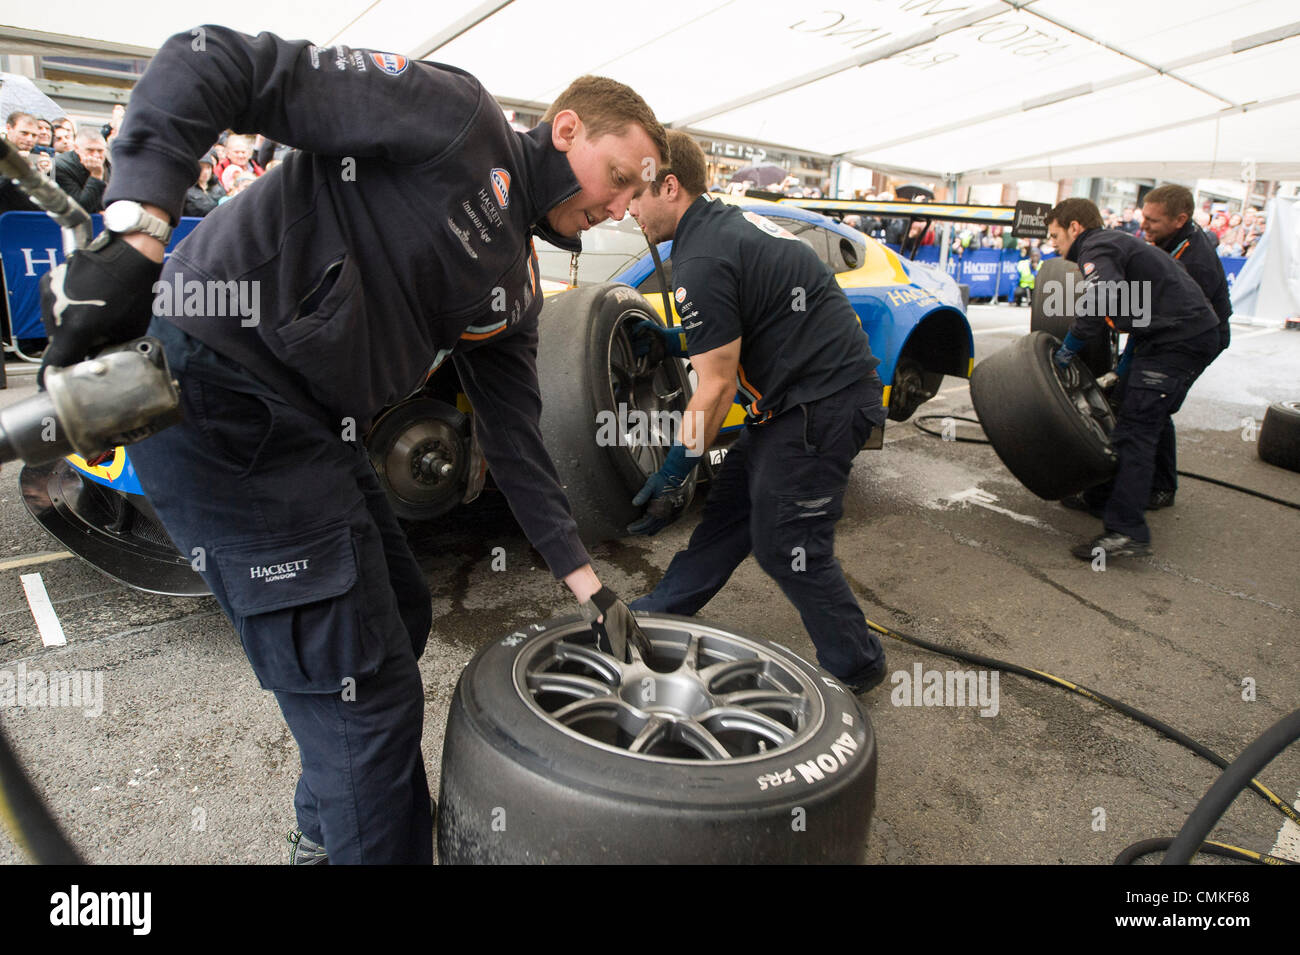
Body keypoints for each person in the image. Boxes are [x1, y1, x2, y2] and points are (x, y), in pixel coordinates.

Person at [38, 25, 666, 865]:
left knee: (398, 616)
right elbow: (211, 58)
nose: (622, 204)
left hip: (307, 427)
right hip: (215, 393)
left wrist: (588, 586)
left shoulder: (514, 284)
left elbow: (518, 440)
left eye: (635, 195)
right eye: (617, 177)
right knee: (363, 699)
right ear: (564, 130)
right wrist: (138, 226)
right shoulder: (455, 117)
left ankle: (324, 837)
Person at [624, 131, 889, 694]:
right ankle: (664, 609)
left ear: (669, 186)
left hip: (824, 403)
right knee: (731, 510)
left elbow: (715, 388)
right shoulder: (724, 226)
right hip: (793, 400)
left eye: (635, 195)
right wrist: (677, 340)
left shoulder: (701, 256)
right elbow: (750, 319)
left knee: (786, 542)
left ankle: (857, 662)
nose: (628, 208)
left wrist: (675, 471)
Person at [1048, 198, 1220, 561]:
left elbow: (1103, 295)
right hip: (1171, 336)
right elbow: (1142, 311)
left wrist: (1069, 347)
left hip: (1177, 341)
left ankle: (1127, 531)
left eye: (1055, 235)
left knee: (1135, 431)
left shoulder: (1096, 246)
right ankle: (1105, 498)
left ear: (1075, 228)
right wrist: (1121, 372)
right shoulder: (1118, 244)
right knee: (1130, 410)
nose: (1053, 244)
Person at [1133, 183, 1232, 510]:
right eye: (1143, 217)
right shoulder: (1168, 240)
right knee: (1150, 403)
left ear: (1180, 220)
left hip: (1199, 337)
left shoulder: (1195, 260)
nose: (1143, 226)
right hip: (1174, 330)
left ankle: (1161, 488)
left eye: (1153, 221)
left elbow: (1177, 318)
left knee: (1155, 405)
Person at [54, 127, 109, 214]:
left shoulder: (109, 165)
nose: (96, 155)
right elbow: (80, 207)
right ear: (76, 148)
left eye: (100, 151)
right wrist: (96, 176)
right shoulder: (59, 166)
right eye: (90, 150)